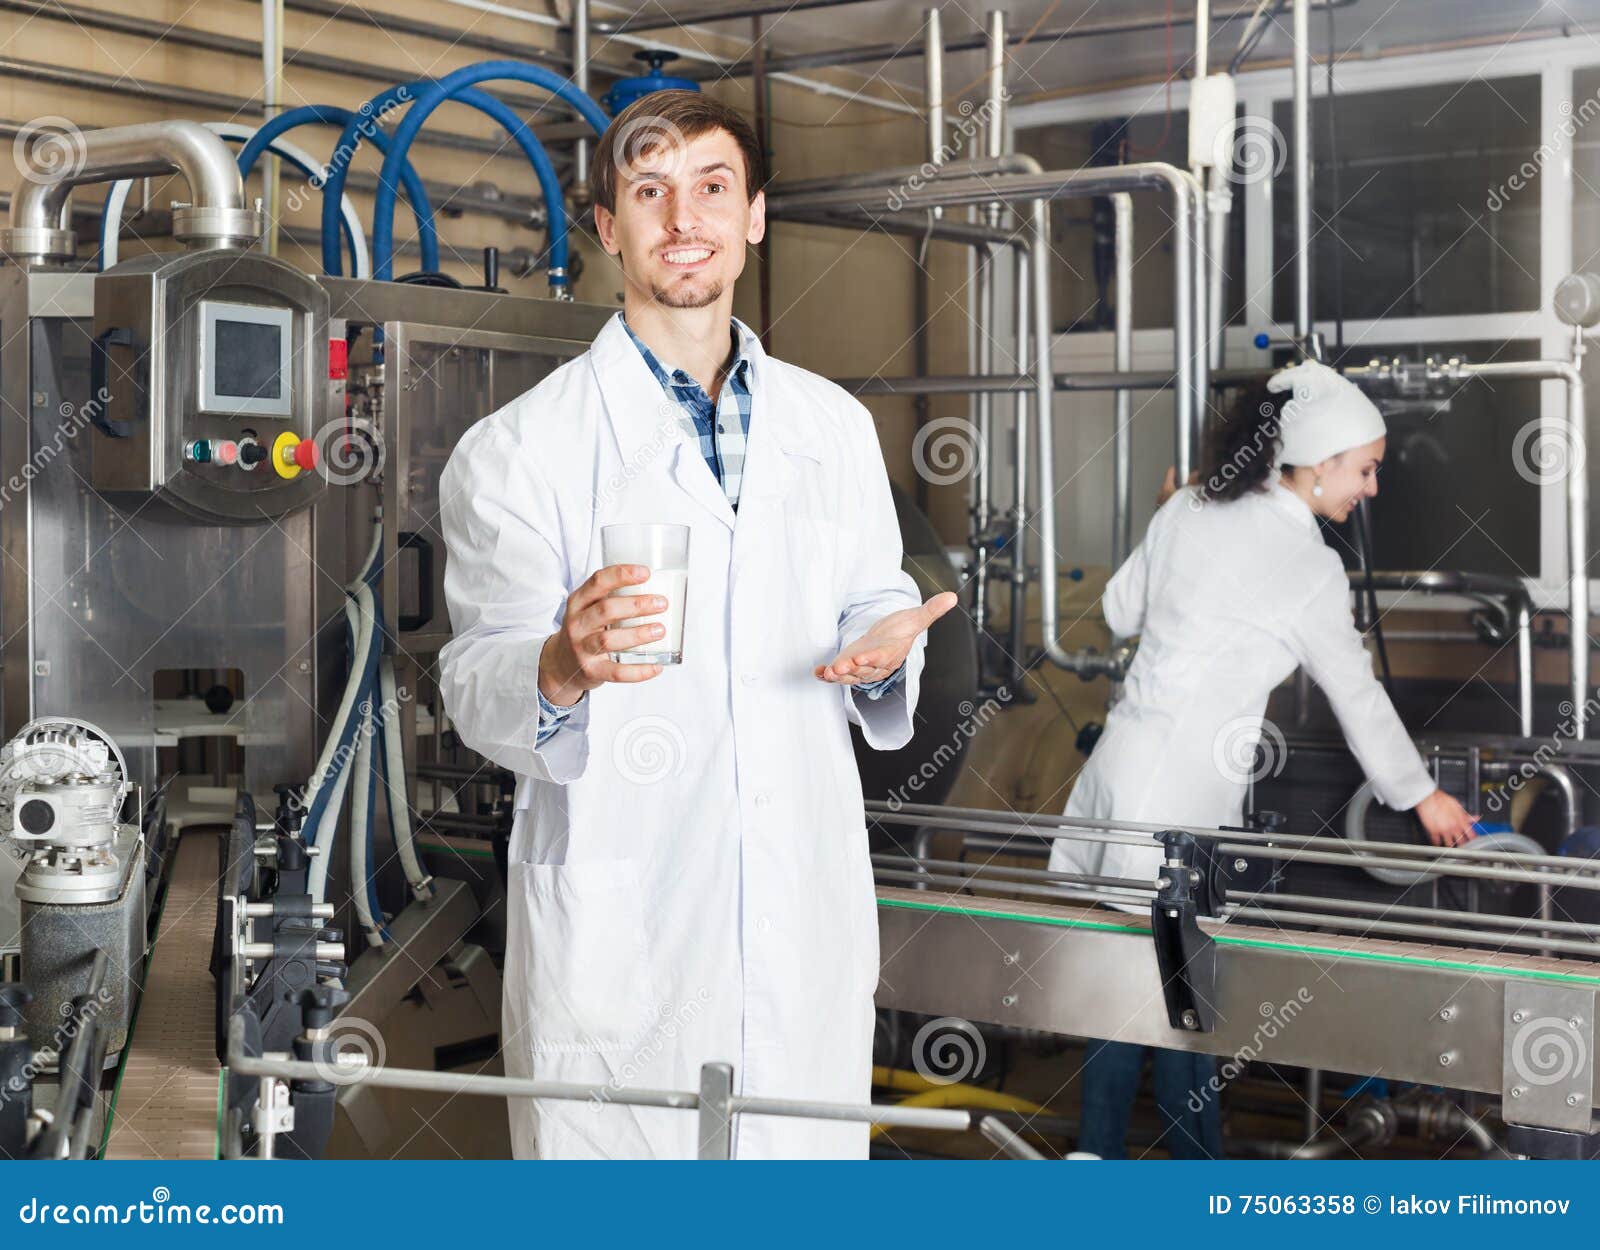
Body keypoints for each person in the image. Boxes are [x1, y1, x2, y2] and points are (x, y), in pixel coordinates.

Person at [436, 90, 955, 1160]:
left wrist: (884, 636)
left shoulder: (832, 427)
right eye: (649, 191)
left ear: (753, 215)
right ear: (607, 227)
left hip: (798, 916)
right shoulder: (519, 450)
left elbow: (864, 586)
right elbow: (474, 678)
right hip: (621, 932)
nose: (684, 217)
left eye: (712, 188)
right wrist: (559, 665)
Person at [1054, 359, 1477, 1159]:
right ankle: (1199, 1191)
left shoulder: (1188, 507)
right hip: (1180, 801)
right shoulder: (1310, 567)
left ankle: (1099, 1169)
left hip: (1120, 773)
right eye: (1366, 469)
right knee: (1183, 1008)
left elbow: (1115, 612)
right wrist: (1423, 797)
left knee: (1120, 1000)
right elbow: (1359, 695)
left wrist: (1159, 521)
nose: (1371, 488)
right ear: (1319, 465)